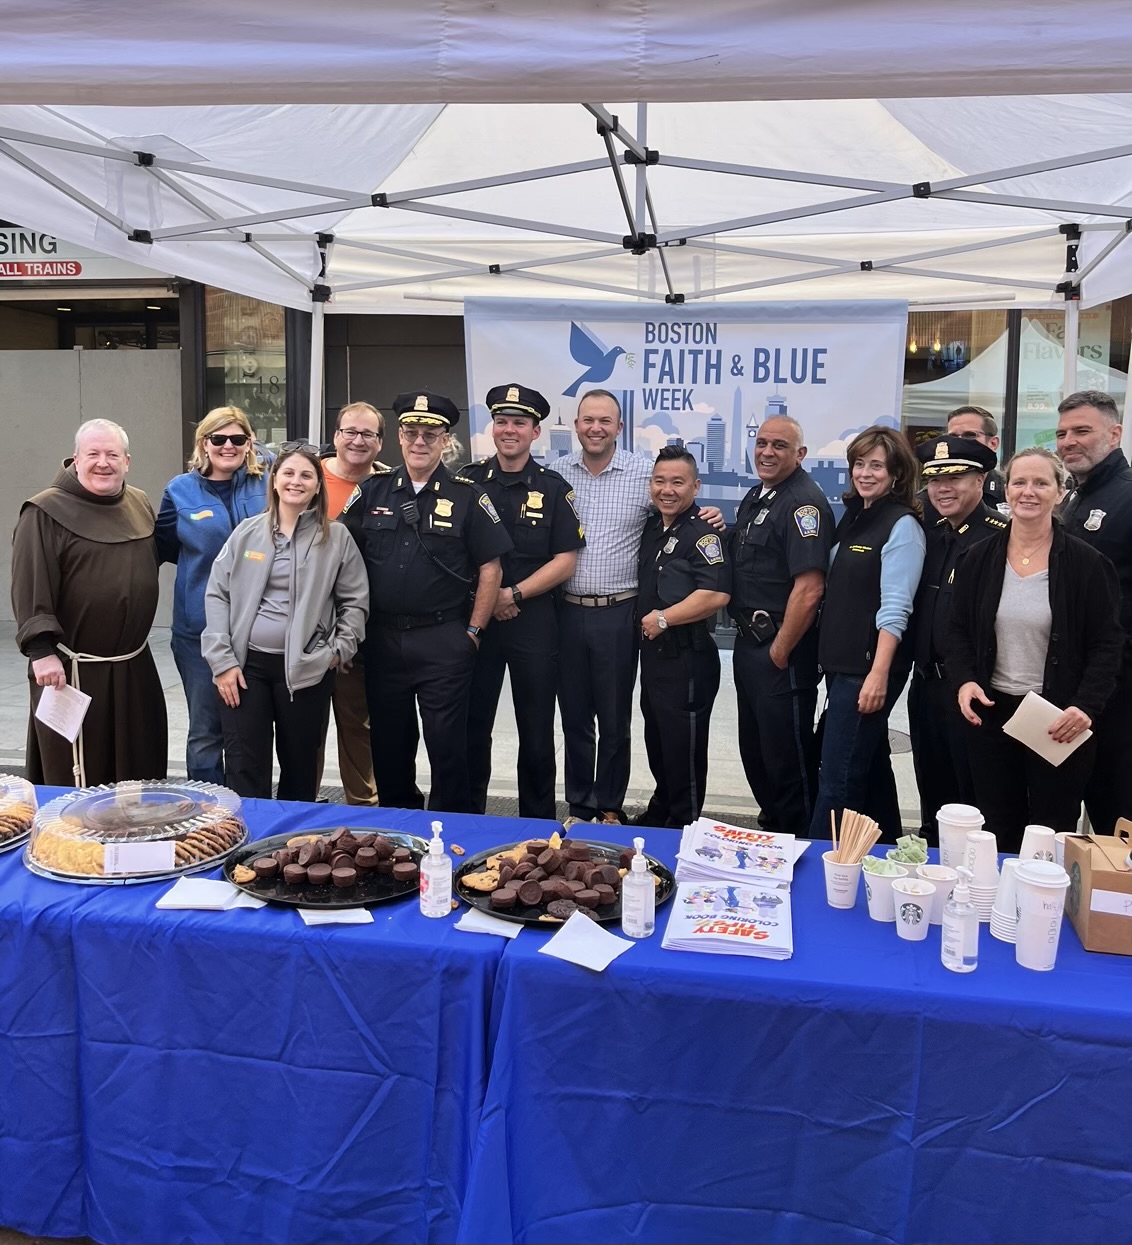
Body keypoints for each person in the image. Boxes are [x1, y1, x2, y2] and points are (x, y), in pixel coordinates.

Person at [555, 389, 724, 825]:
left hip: (619, 612)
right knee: (575, 716)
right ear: (576, 425)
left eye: (605, 420)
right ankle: (579, 804)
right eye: (588, 419)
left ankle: (609, 804)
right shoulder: (555, 475)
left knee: (614, 718)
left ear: (619, 428)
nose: (596, 427)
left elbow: (681, 512)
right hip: (567, 611)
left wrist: (717, 518)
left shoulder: (640, 474)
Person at [341, 391, 512, 813]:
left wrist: (473, 631)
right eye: (412, 432)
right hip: (381, 639)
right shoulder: (372, 491)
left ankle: (451, 827)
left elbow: (491, 567)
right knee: (389, 741)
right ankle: (400, 825)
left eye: (430, 434)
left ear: (445, 440)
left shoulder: (469, 496)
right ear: (399, 436)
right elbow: (341, 556)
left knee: (447, 744)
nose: (420, 442)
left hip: (443, 639)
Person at [948, 447, 1123, 853]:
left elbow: (1108, 643)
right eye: (1019, 482)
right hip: (992, 714)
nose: (1029, 491)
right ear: (1005, 490)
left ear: (1060, 492)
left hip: (1058, 718)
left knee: (1051, 830)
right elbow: (956, 630)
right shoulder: (977, 558)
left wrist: (1086, 707)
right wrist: (965, 681)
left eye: (1041, 482)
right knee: (996, 825)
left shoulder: (1088, 564)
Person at [202, 443, 368, 801]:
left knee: (301, 765)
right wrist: (222, 662)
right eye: (288, 473)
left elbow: (355, 601)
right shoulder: (247, 533)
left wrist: (337, 651)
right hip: (245, 670)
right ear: (274, 480)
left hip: (307, 670)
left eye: (307, 475)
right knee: (245, 765)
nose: (297, 481)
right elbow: (217, 594)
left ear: (317, 486)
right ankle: (250, 844)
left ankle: (296, 849)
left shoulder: (336, 537)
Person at [12, 418, 167, 785]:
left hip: (132, 663)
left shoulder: (139, 501)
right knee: (78, 771)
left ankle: (131, 836)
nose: (103, 462)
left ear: (127, 461)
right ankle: (77, 843)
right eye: (93, 454)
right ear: (75, 460)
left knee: (138, 764)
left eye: (112, 454)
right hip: (73, 668)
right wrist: (41, 650)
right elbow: (29, 584)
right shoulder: (44, 511)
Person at [461, 383, 584, 819]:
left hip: (533, 620)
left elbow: (566, 560)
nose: (508, 429)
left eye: (519, 422)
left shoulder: (553, 488)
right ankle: (467, 814)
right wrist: (490, 601)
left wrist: (511, 594)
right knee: (473, 724)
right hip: (478, 621)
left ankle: (536, 821)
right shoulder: (467, 482)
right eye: (501, 421)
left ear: (535, 432)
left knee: (535, 729)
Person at [810, 426, 926, 842]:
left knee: (838, 779)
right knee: (869, 766)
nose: (865, 473)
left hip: (866, 673)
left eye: (876, 465)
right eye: (859, 463)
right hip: (842, 669)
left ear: (896, 474)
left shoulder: (903, 527)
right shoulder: (857, 516)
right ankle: (888, 848)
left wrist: (878, 674)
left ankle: (822, 863)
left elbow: (895, 608)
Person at [727, 415, 833, 837]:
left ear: (800, 454)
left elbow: (809, 589)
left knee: (787, 759)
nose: (767, 452)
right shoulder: (759, 495)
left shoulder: (803, 503)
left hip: (780, 649)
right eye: (762, 443)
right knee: (756, 752)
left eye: (780, 446)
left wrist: (780, 650)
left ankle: (800, 839)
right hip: (749, 644)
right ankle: (772, 829)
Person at [156, 406, 268, 785]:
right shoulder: (179, 490)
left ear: (249, 443)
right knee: (206, 732)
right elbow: (167, 546)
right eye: (217, 438)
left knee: (249, 733)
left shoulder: (265, 483)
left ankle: (250, 808)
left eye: (237, 439)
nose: (227, 446)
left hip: (257, 631)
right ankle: (208, 811)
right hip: (199, 633)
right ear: (203, 443)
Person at [909, 434, 1007, 841]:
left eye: (956, 478)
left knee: (976, 806)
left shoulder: (1001, 537)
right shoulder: (930, 534)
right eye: (934, 481)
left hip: (973, 689)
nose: (942, 489)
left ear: (982, 480)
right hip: (926, 685)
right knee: (933, 796)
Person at [636, 447, 731, 828]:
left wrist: (664, 617)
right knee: (658, 742)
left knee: (684, 751)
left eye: (678, 482)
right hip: (656, 660)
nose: (667, 490)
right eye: (660, 481)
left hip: (687, 660)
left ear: (696, 486)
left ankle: (684, 827)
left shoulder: (704, 533)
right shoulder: (654, 527)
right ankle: (663, 809)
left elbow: (716, 594)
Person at [1056, 389, 1132, 835]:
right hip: (1077, 686)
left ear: (1114, 433)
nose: (1069, 441)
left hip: (1119, 690)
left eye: (1082, 431)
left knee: (1116, 811)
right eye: (1063, 433)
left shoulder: (1126, 496)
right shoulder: (1074, 499)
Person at [315, 401, 391, 805]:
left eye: (367, 434)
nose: (357, 440)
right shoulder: (305, 479)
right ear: (336, 436)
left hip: (361, 627)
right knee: (306, 726)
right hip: (306, 629)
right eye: (350, 432)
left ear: (380, 443)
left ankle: (365, 811)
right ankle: (300, 804)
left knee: (357, 725)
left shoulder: (389, 486)